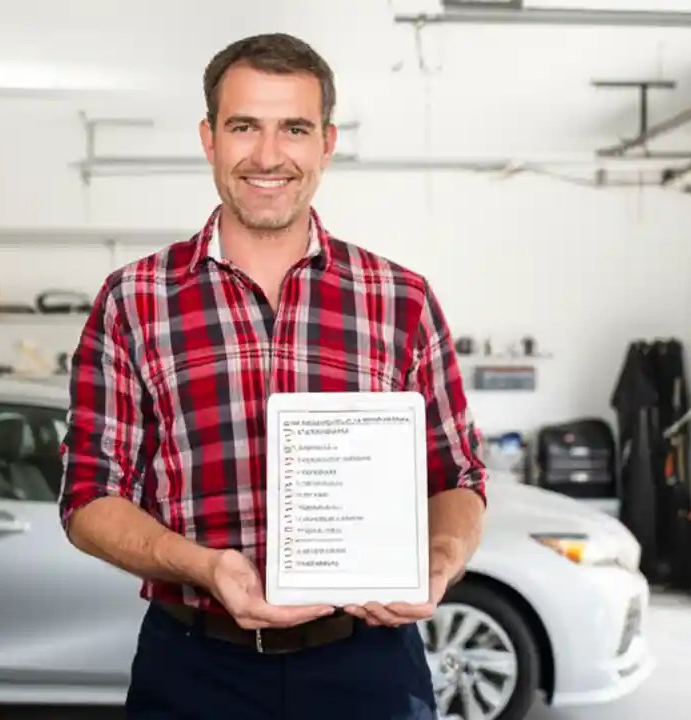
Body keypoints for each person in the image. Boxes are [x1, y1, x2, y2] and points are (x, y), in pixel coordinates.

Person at [58, 32, 488, 720]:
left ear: (326, 142)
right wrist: (204, 567)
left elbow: (457, 475)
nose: (267, 155)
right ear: (208, 138)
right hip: (195, 663)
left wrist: (440, 557)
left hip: (368, 662)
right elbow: (88, 497)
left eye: (294, 128)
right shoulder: (133, 300)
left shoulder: (400, 298)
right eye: (243, 127)